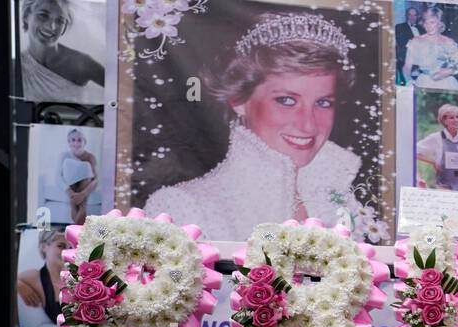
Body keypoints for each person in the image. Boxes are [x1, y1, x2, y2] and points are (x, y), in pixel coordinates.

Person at [144, 12, 371, 242]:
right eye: (286, 100)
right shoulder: (183, 206)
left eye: (323, 103)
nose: (308, 123)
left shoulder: (343, 199)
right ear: (239, 100)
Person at [19, 0, 104, 104]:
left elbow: (124, 89)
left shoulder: (82, 63)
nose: (52, 27)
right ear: (26, 16)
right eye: (43, 16)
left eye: (60, 21)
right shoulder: (17, 64)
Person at [416, 103, 458, 193]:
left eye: (457, 117)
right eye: (451, 118)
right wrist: (434, 162)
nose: (456, 120)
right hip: (445, 187)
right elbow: (412, 151)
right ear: (444, 120)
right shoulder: (435, 138)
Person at [16, 227, 69, 327]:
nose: (66, 252)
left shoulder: (77, 276)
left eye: (70, 247)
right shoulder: (35, 276)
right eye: (61, 246)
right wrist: (18, 285)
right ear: (44, 246)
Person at [403, 6, 458, 90]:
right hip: (424, 82)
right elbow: (407, 67)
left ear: (440, 23)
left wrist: (447, 72)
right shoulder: (416, 41)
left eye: (432, 22)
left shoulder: (449, 42)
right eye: (426, 23)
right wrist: (409, 82)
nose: (428, 26)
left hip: (447, 83)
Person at [60, 127, 97, 225]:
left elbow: (95, 179)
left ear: (84, 141)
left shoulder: (90, 157)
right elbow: (58, 177)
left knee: (86, 166)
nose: (76, 143)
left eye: (79, 140)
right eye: (73, 140)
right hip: (70, 184)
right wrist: (70, 193)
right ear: (69, 141)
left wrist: (83, 194)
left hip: (84, 184)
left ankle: (74, 227)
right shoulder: (64, 156)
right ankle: (78, 224)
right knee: (68, 163)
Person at [395, 3, 425, 87]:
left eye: (414, 15)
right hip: (407, 58)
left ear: (417, 16)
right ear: (407, 16)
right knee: (407, 84)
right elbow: (401, 43)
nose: (412, 17)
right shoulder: (399, 27)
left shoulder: (422, 28)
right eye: (410, 15)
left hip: (422, 60)